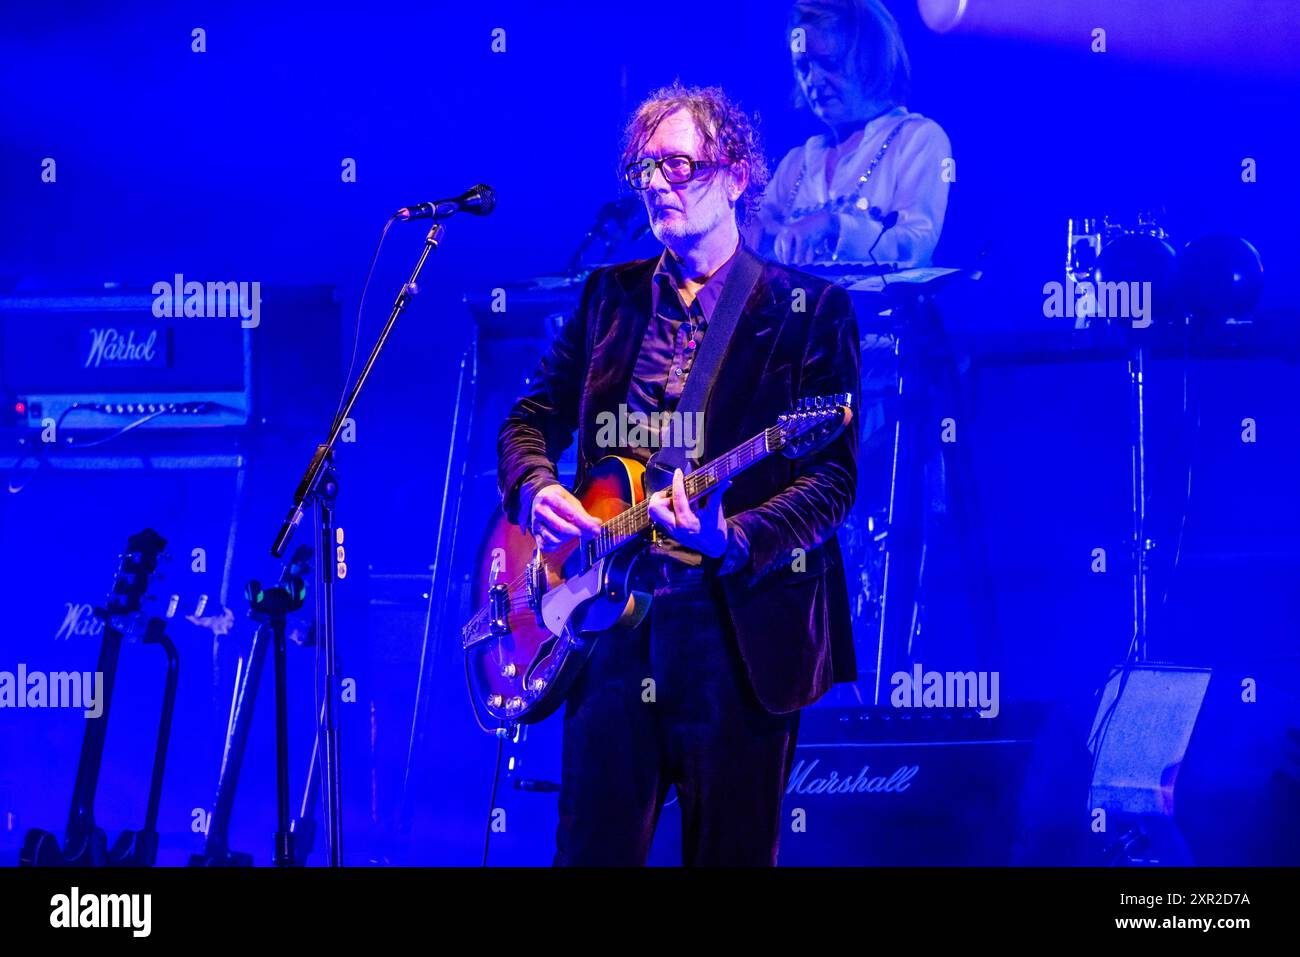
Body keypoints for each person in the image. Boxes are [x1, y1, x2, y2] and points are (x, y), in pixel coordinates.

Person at [497, 83, 860, 866]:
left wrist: (729, 534)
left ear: (735, 175)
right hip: (608, 628)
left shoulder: (811, 310)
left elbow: (831, 482)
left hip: (736, 628)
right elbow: (528, 419)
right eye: (644, 170)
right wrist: (540, 489)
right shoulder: (608, 297)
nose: (658, 183)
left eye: (678, 164)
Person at [751, 0, 952, 268]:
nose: (814, 79)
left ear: (870, 59)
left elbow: (915, 247)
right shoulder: (797, 161)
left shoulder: (917, 138)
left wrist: (835, 227)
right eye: (803, 67)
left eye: (829, 63)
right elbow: (757, 234)